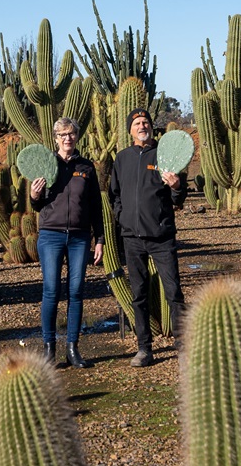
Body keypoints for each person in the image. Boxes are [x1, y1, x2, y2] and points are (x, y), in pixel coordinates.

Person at [108, 107, 186, 367]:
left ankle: (184, 346)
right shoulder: (122, 159)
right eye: (137, 123)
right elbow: (114, 195)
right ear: (130, 130)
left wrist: (176, 187)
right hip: (132, 237)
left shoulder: (165, 155)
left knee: (173, 291)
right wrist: (122, 217)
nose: (142, 126)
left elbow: (179, 196)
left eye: (146, 122)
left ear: (152, 127)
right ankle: (144, 349)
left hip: (161, 235)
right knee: (138, 294)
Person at [29, 116, 105, 368]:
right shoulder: (45, 163)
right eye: (62, 134)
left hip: (80, 236)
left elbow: (96, 205)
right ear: (56, 138)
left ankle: (72, 349)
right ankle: (49, 349)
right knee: (51, 290)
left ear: (77, 136)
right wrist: (33, 195)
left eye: (71, 134)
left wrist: (100, 239)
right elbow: (37, 205)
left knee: (76, 291)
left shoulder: (86, 167)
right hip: (50, 234)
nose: (67, 138)